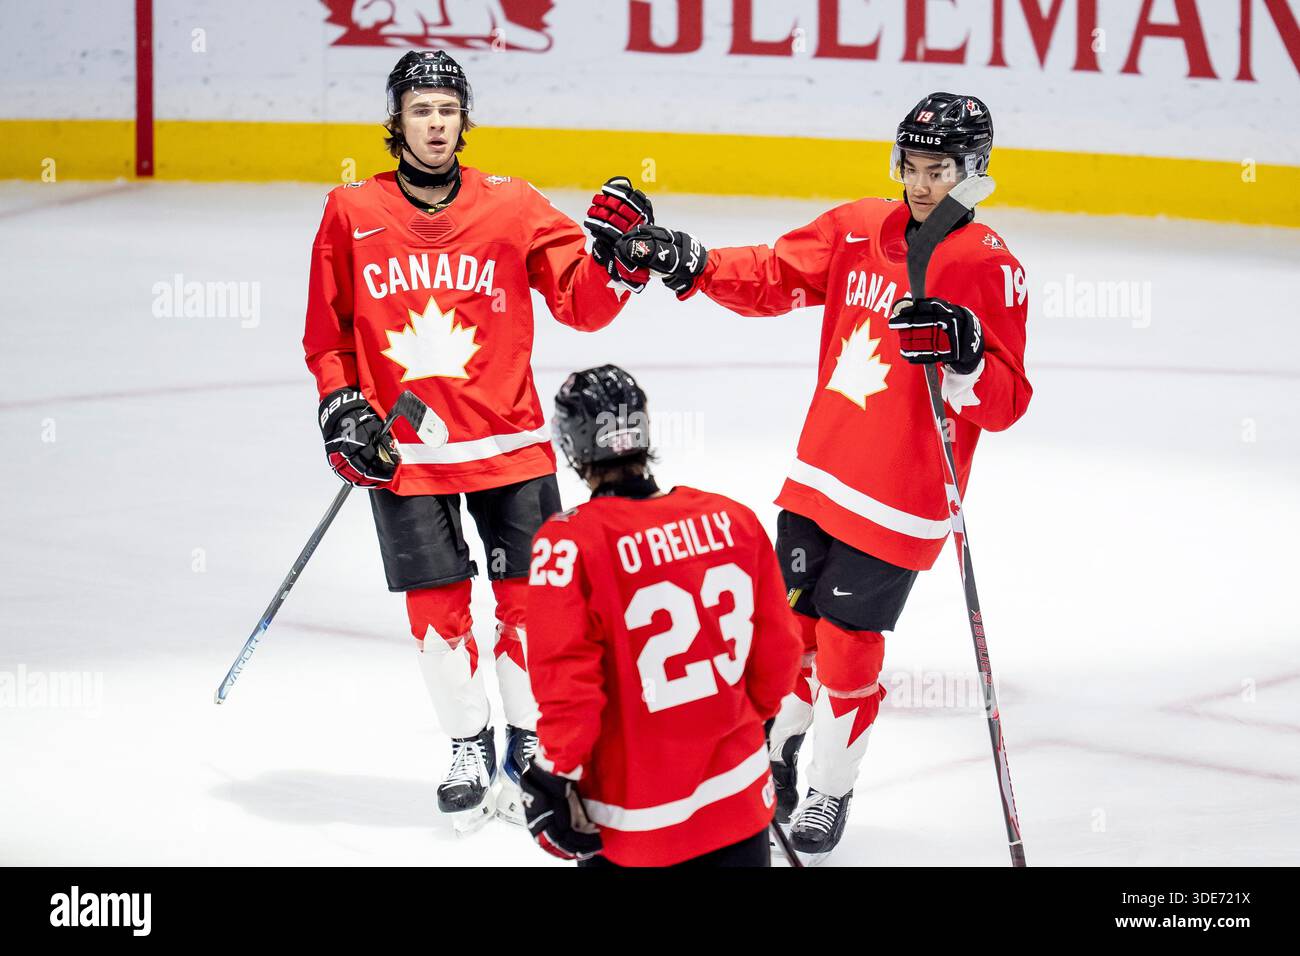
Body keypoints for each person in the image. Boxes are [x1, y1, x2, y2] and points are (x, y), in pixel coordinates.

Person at [607, 93, 1032, 863]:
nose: (921, 183)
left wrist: (967, 353)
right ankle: (772, 756)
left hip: (901, 499)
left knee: (847, 649)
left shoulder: (988, 264)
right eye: (911, 164)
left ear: (974, 171)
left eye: (940, 169)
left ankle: (830, 784)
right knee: (786, 634)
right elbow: (773, 276)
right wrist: (689, 260)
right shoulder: (856, 227)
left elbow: (1006, 402)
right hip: (818, 474)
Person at [302, 50, 653, 831]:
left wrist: (620, 263)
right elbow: (326, 337)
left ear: (465, 120)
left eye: (447, 109)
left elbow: (581, 303)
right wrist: (341, 408)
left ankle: (528, 741)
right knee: (437, 612)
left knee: (531, 605)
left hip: (510, 444)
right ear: (396, 122)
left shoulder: (514, 205)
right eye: (421, 109)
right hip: (407, 453)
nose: (435, 123)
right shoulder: (350, 210)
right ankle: (468, 742)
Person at [520, 366, 803, 867]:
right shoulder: (732, 517)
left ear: (572, 444)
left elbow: (569, 691)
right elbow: (780, 653)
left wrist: (548, 775)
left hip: (635, 821)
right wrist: (746, 729)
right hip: (739, 801)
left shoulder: (568, 545)